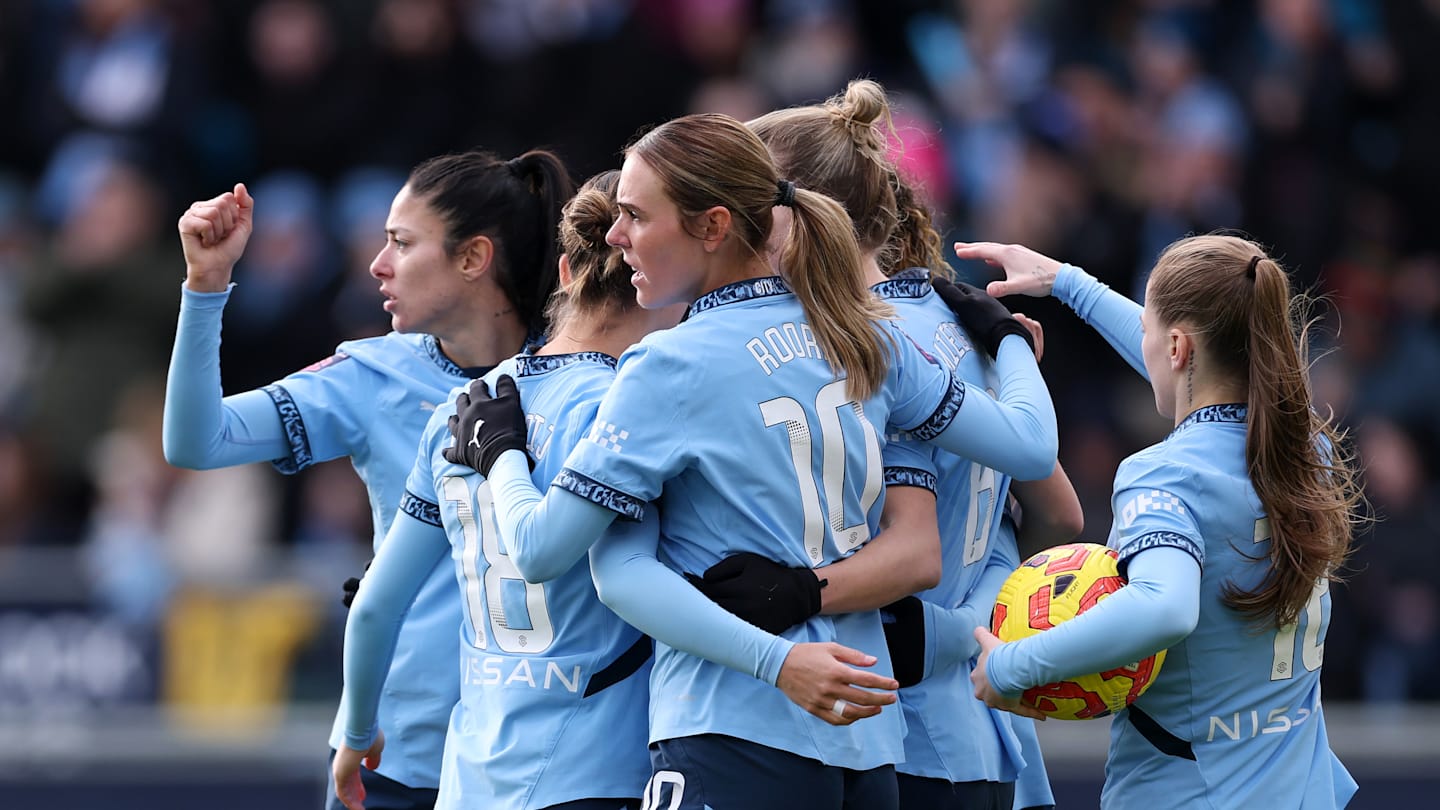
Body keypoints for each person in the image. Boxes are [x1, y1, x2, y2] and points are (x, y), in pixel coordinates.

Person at [448, 112, 1058, 810]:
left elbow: (544, 550)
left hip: (733, 728)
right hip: (867, 748)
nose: (616, 239)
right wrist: (1004, 334)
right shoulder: (863, 338)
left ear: (712, 227)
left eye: (635, 217)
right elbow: (1033, 446)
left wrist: (499, 453)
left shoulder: (668, 365)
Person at [163, 149, 575, 810]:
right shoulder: (370, 375)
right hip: (395, 756)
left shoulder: (584, 378)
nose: (377, 265)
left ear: (473, 258)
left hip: (537, 759)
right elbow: (195, 441)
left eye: (401, 244)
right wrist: (206, 286)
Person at [730, 78, 1080, 810]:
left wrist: (782, 598)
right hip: (983, 733)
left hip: (902, 729)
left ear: (799, 216)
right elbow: (1063, 512)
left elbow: (913, 554)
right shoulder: (962, 321)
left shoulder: (869, 346)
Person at [966, 234, 1363, 809]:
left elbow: (1164, 606)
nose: (1144, 344)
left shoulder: (1164, 475)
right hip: (1302, 791)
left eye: (1154, 333)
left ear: (1177, 347)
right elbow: (1193, 362)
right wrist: (1069, 284)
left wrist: (1012, 666)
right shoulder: (1306, 449)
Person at [332, 171, 686, 810]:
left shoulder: (462, 406)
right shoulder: (627, 409)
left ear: (566, 272)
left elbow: (377, 606)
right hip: (593, 775)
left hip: (471, 780)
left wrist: (357, 733)